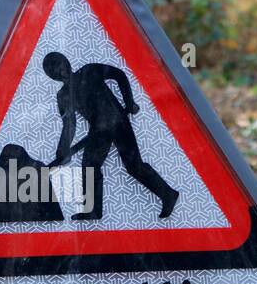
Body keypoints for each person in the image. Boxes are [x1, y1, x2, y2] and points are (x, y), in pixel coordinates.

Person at [44, 51, 179, 220]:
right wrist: (62, 149)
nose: (59, 70)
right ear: (52, 76)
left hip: (118, 121)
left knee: (133, 165)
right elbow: (69, 125)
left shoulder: (89, 71)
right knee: (90, 165)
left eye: (60, 64)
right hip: (98, 131)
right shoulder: (63, 96)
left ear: (66, 62)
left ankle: (168, 194)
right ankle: (93, 210)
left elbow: (119, 75)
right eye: (53, 70)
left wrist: (129, 102)